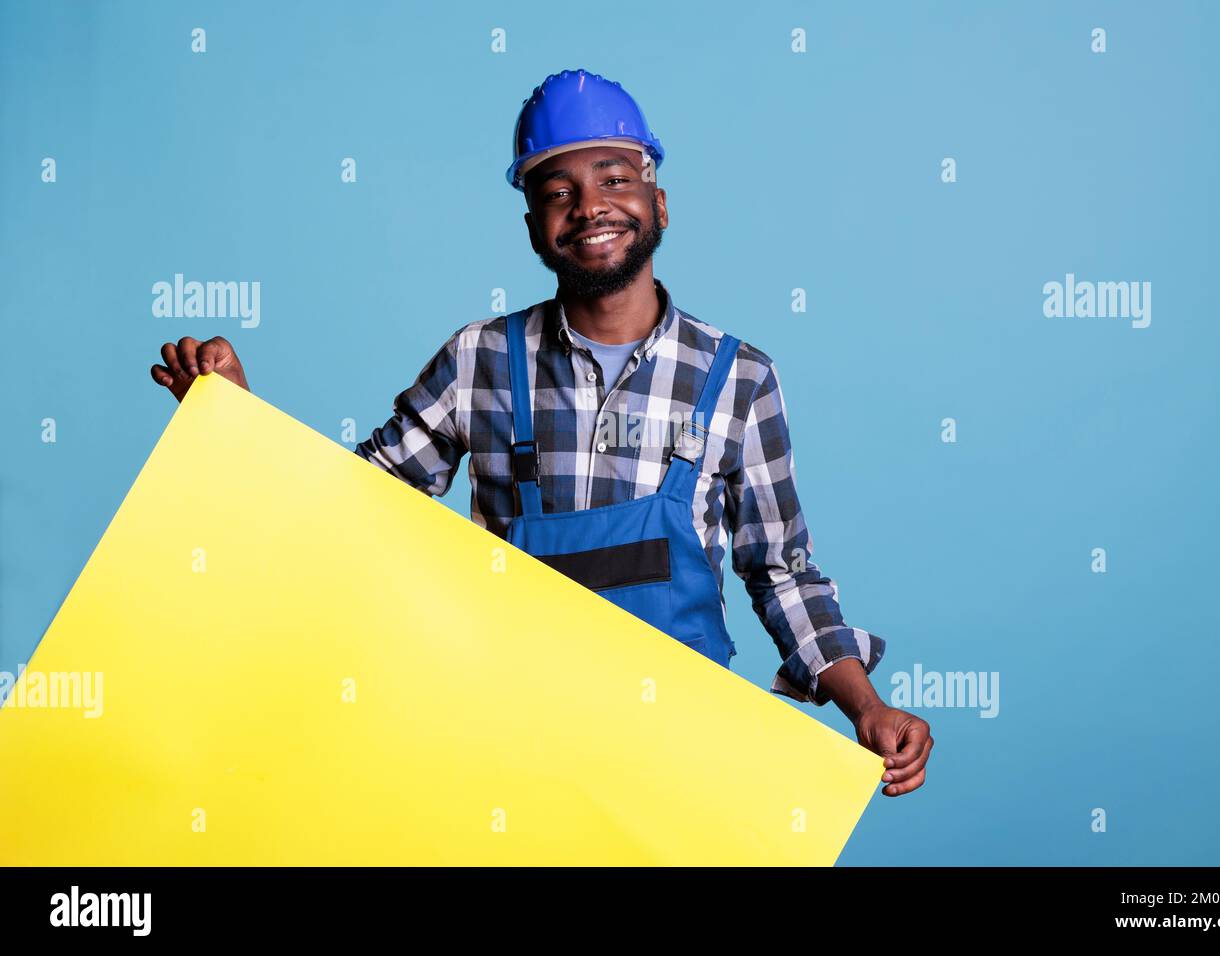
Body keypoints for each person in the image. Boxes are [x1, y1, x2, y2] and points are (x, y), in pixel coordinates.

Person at [151, 69, 933, 797]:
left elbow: (782, 572)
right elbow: (357, 509)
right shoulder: (479, 361)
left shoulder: (739, 379)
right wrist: (237, 418)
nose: (589, 205)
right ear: (534, 226)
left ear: (660, 203)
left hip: (683, 762)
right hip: (507, 756)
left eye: (614, 180)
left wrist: (865, 707)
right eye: (558, 190)